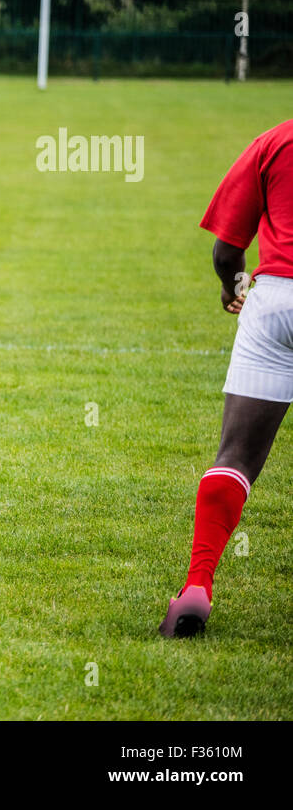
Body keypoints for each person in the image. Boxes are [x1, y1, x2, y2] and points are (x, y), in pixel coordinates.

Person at [159, 118, 293, 637]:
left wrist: (231, 287)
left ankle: (196, 586)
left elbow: (226, 249)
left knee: (235, 457)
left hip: (275, 301)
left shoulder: (277, 140)